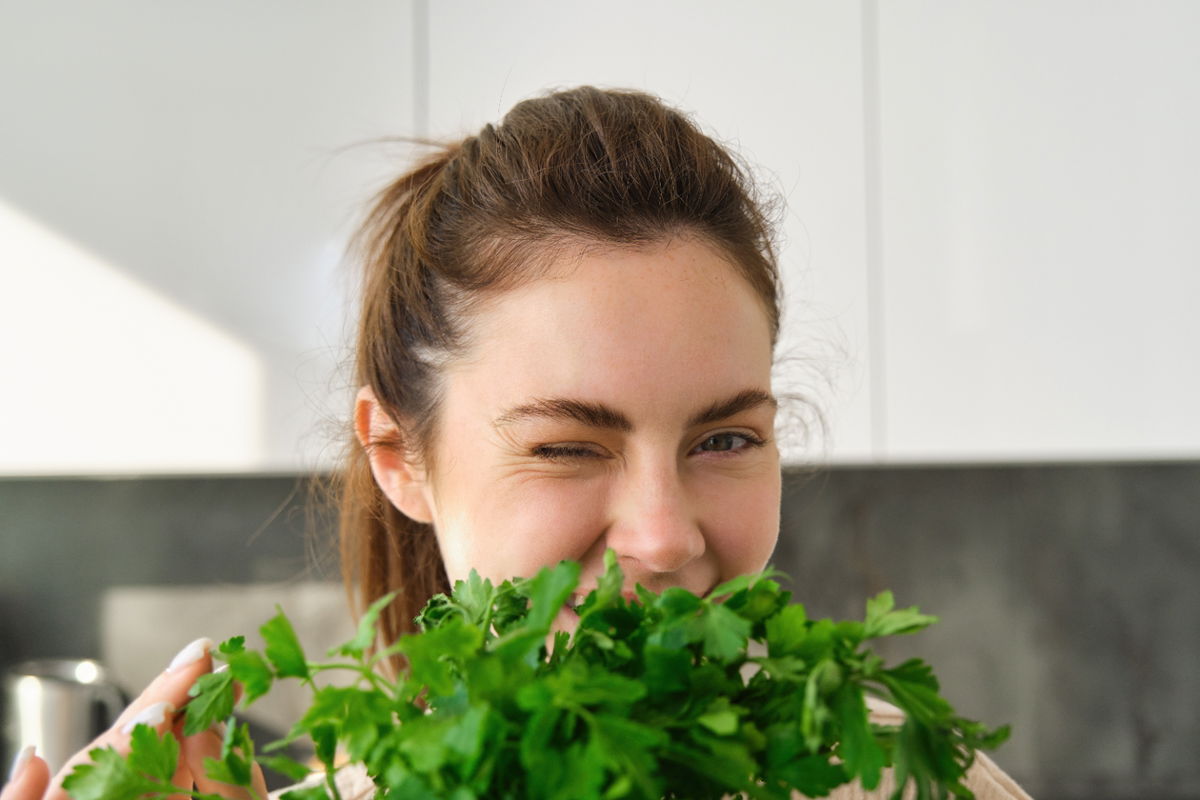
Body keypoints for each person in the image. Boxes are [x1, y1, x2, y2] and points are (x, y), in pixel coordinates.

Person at [1, 87, 1030, 800]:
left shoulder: (909, 776)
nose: (665, 536)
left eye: (722, 436)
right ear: (402, 458)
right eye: (569, 447)